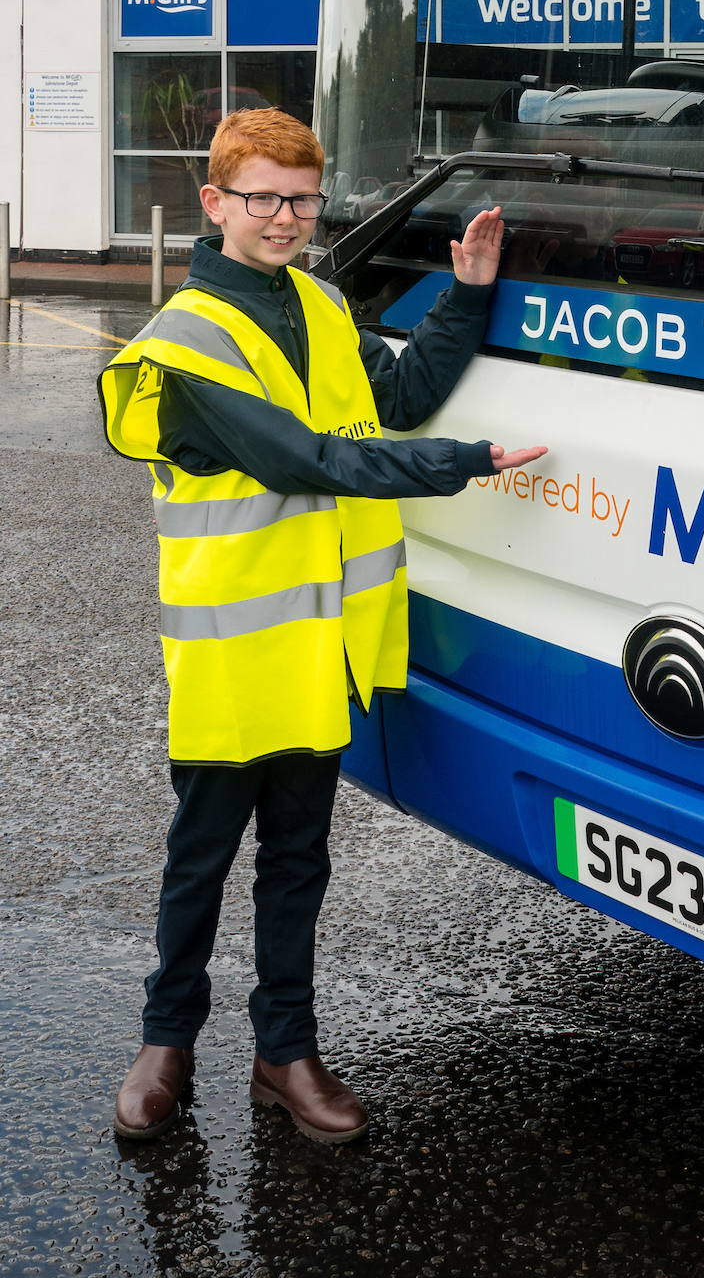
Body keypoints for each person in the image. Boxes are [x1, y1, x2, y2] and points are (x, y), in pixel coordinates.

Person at [100, 107, 543, 1147]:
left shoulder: (323, 300)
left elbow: (390, 400)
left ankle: (283, 1053)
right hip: (231, 651)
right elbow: (315, 461)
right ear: (213, 205)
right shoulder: (188, 342)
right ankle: (165, 1046)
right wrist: (465, 463)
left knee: (299, 857)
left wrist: (465, 298)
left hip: (317, 645)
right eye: (263, 198)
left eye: (303, 198)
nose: (288, 217)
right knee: (200, 857)